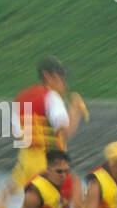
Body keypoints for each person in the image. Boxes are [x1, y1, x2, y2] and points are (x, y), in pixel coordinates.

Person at [8, 56, 87, 193]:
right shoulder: (52, 97)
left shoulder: (22, 96)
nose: (64, 83)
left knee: (11, 192)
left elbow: (15, 132)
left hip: (25, 161)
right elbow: (66, 133)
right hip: (49, 164)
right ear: (48, 76)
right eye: (61, 77)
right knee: (74, 188)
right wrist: (75, 109)